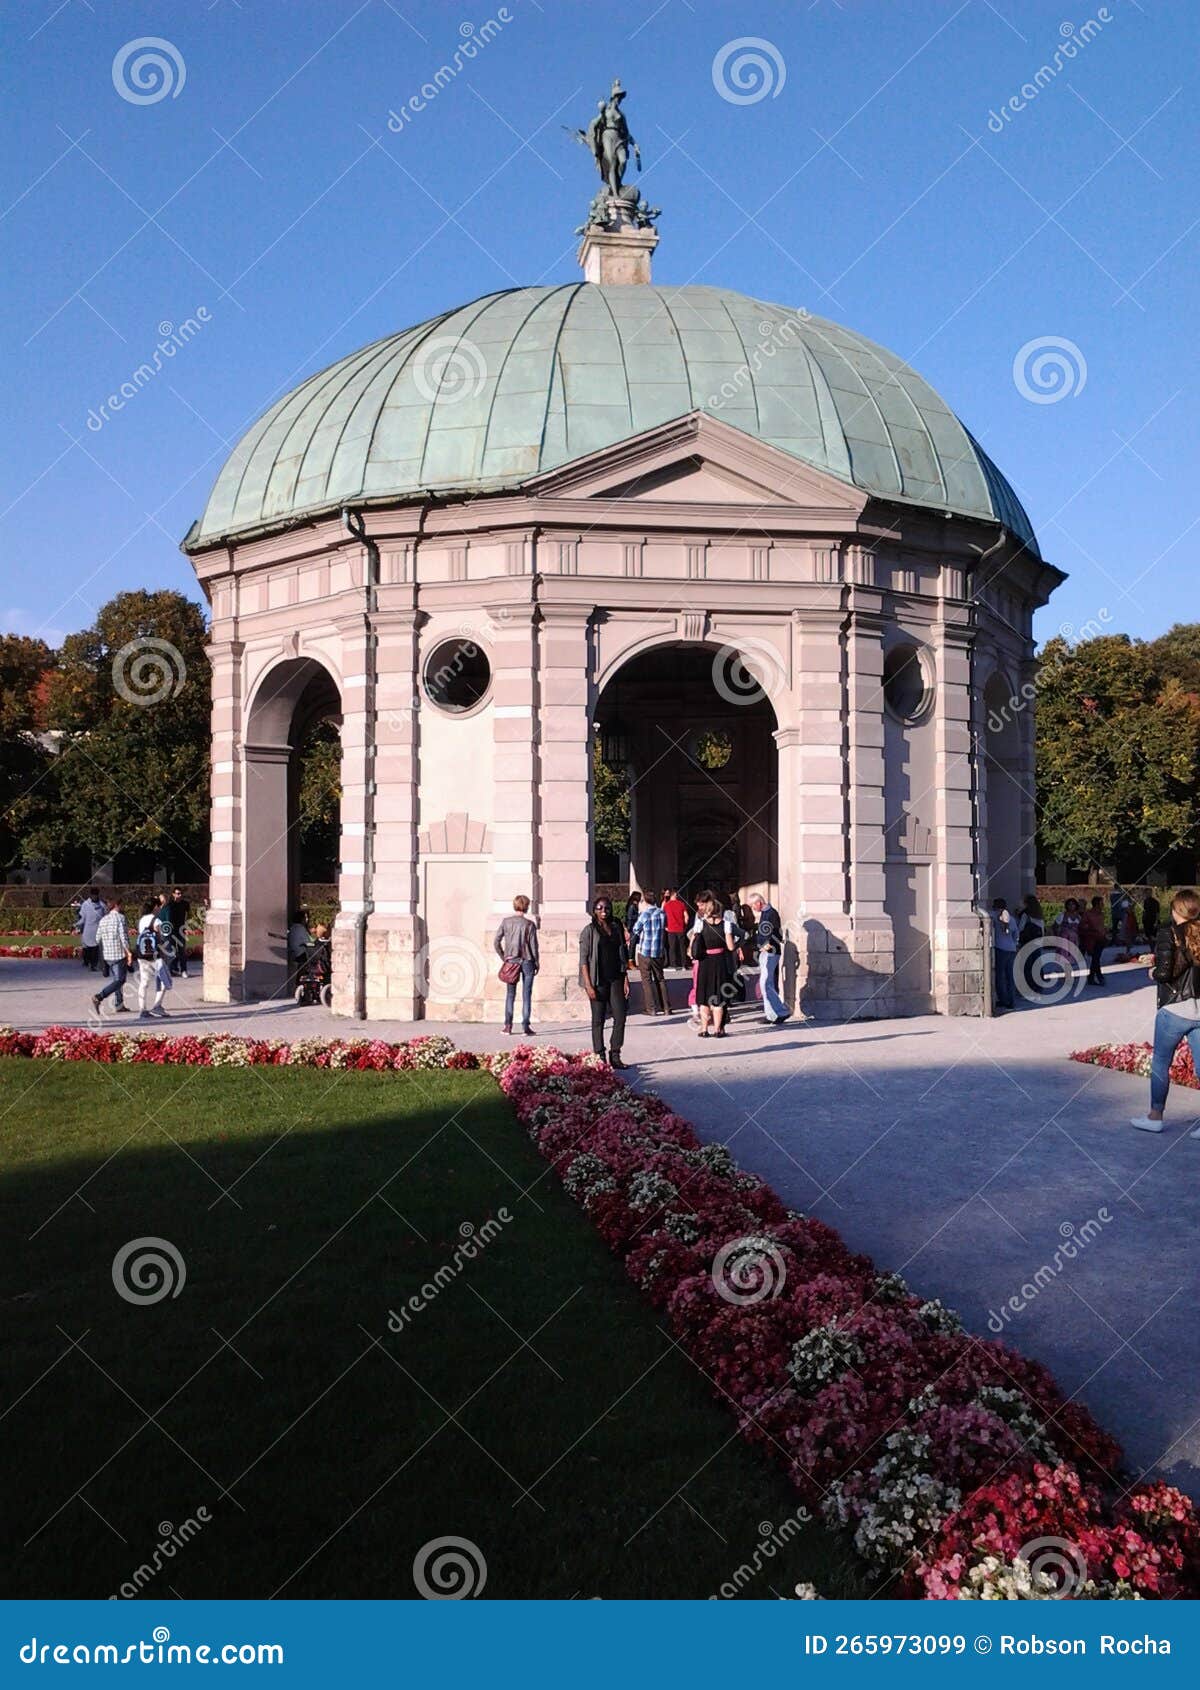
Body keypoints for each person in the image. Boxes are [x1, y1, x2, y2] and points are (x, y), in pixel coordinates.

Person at [1130, 889, 1200, 1136]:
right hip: (1199, 1010)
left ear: (1175, 910)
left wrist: (1152, 971)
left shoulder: (1167, 933)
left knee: (1161, 1062)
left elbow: (1164, 972)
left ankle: (1155, 1115)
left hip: (1173, 1008)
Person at [579, 894, 629, 1067]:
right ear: (594, 911)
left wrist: (626, 978)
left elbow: (623, 953)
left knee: (620, 1016)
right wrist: (588, 985)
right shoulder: (589, 931)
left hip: (616, 977)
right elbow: (583, 960)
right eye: (599, 908)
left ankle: (615, 1054)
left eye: (606, 907)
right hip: (597, 980)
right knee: (598, 1019)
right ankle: (599, 1055)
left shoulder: (616, 927)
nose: (603, 911)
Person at [692, 890, 737, 1038]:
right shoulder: (726, 925)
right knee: (718, 997)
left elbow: (694, 945)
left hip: (705, 962)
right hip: (720, 962)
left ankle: (704, 1029)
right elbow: (730, 947)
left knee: (704, 998)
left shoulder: (700, 924)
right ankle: (718, 1029)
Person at [494, 894, 539, 1036]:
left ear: (515, 905)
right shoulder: (530, 924)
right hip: (527, 961)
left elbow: (496, 942)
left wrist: (504, 957)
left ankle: (508, 1026)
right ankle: (526, 1027)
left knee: (510, 995)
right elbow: (533, 946)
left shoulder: (506, 922)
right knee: (527, 995)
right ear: (526, 907)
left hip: (511, 961)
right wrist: (536, 962)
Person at [750, 894, 789, 1024]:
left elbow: (776, 931)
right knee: (767, 984)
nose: (752, 908)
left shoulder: (771, 913)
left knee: (765, 983)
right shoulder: (765, 913)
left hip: (770, 951)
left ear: (759, 902)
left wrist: (769, 943)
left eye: (753, 905)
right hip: (766, 951)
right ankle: (775, 1013)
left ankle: (777, 1013)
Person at [91, 898, 132, 1016]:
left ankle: (119, 1004)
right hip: (118, 954)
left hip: (107, 955)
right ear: (117, 905)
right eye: (121, 905)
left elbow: (97, 938)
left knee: (116, 980)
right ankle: (99, 996)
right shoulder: (120, 918)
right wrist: (128, 952)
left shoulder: (103, 919)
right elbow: (123, 937)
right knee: (120, 980)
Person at [631, 889, 670, 1015]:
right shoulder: (662, 913)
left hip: (645, 951)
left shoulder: (645, 914)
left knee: (646, 980)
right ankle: (666, 1007)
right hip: (658, 951)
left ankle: (651, 1008)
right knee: (660, 979)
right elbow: (666, 926)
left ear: (645, 901)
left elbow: (636, 929)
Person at [133, 899, 169, 1019]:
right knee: (164, 981)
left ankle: (142, 1009)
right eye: (159, 906)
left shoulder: (141, 920)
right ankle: (157, 1006)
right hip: (155, 955)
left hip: (142, 954)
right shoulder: (156, 920)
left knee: (144, 982)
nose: (159, 909)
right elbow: (161, 937)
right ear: (155, 907)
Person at [991, 896, 1018, 1010]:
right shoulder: (1011, 919)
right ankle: (1011, 1000)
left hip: (1000, 949)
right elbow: (1016, 934)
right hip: (1011, 949)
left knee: (1000, 976)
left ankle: (1003, 999)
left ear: (994, 906)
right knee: (1009, 976)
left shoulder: (993, 916)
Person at [1016, 894, 1045, 997]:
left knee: (1027, 966)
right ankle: (1038, 986)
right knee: (1037, 964)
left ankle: (1028, 988)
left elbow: (1020, 928)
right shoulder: (1039, 914)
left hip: (1028, 943)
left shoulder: (1025, 915)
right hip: (1038, 942)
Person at [75, 887, 106, 972]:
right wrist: (77, 924)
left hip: (97, 930)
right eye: (93, 895)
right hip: (88, 929)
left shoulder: (102, 905)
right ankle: (87, 961)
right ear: (91, 895)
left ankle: (94, 965)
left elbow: (105, 917)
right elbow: (83, 918)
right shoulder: (86, 904)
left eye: (96, 895)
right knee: (87, 947)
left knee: (95, 948)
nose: (94, 897)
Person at [1080, 895, 1107, 988]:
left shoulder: (1101, 914)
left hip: (1101, 938)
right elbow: (1082, 925)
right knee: (1096, 958)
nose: (1103, 904)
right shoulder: (1088, 914)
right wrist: (1090, 929)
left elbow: (1102, 926)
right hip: (1092, 939)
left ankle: (1092, 977)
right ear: (1097, 904)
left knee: (1096, 958)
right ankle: (1098, 976)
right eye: (1101, 902)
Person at [662, 887, 689, 969]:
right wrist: (685, 925)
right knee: (682, 947)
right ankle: (684, 964)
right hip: (680, 928)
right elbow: (686, 917)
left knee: (672, 947)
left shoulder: (666, 905)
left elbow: (663, 916)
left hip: (670, 929)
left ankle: (673, 964)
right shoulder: (681, 904)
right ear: (675, 894)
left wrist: (665, 926)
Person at [166, 886, 191, 976]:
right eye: (177, 893)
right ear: (173, 894)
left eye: (180, 893)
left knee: (182, 951)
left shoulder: (185, 904)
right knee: (172, 951)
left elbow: (188, 916)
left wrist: (186, 927)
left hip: (181, 930)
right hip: (172, 931)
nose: (179, 895)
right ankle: (172, 969)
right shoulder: (170, 904)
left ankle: (183, 970)